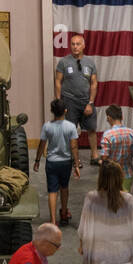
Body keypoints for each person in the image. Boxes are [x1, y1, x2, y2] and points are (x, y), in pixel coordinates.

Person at [54, 32, 99, 167]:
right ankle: (74, 159)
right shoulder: (63, 62)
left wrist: (90, 103)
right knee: (71, 131)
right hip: (69, 101)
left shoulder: (90, 63)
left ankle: (95, 156)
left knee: (91, 129)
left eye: (78, 44)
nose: (75, 47)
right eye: (73, 44)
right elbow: (58, 81)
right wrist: (59, 102)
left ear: (83, 46)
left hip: (86, 102)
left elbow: (94, 83)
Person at [33, 99, 80, 226]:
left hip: (51, 162)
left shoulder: (47, 126)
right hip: (66, 162)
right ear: (65, 110)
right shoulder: (71, 127)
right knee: (64, 188)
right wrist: (76, 164)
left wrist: (37, 161)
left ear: (52, 111)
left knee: (52, 191)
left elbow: (42, 145)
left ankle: (53, 221)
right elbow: (74, 147)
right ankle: (64, 213)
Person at [98, 105, 133, 192]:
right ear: (122, 117)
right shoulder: (132, 133)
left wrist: (100, 161)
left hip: (111, 175)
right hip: (127, 173)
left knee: (112, 199)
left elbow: (105, 158)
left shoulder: (107, 135)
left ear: (108, 118)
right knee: (125, 199)